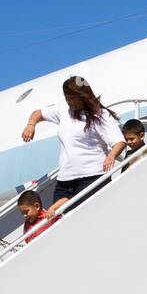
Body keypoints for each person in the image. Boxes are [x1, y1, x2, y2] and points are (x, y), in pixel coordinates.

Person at [22, 76, 126, 213]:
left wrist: (111, 156)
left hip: (91, 177)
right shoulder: (64, 111)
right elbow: (38, 113)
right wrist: (31, 124)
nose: (69, 102)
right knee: (59, 220)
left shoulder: (100, 115)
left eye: (72, 98)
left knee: (85, 217)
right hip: (65, 181)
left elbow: (119, 142)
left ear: (83, 96)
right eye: (66, 98)